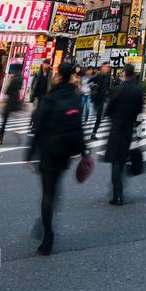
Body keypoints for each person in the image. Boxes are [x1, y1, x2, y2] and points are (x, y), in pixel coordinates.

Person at [26, 61, 86, 256]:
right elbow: (79, 125)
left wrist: (30, 152)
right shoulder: (76, 97)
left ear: (59, 75)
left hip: (49, 149)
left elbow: (39, 126)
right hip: (66, 150)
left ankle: (48, 234)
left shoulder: (50, 97)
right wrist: (84, 151)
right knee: (55, 188)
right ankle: (47, 221)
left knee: (47, 193)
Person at [103, 63, 145, 205]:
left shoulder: (116, 90)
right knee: (121, 161)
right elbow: (140, 115)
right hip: (129, 131)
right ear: (133, 75)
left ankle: (117, 195)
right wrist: (139, 134)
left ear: (124, 74)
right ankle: (119, 191)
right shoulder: (138, 91)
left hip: (116, 130)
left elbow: (108, 111)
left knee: (116, 163)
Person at [0, 64, 24, 144]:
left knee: (4, 121)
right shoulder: (21, 79)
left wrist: (9, 81)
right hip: (16, 101)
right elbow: (20, 89)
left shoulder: (14, 79)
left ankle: (0, 139)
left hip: (10, 101)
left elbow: (7, 91)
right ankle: (17, 134)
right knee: (15, 119)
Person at [89, 62, 111, 139]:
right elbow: (89, 82)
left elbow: (108, 88)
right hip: (95, 99)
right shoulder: (97, 76)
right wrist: (93, 87)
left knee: (99, 118)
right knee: (93, 116)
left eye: (108, 67)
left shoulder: (108, 77)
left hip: (102, 100)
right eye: (105, 67)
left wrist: (107, 95)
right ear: (101, 67)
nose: (107, 68)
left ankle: (93, 133)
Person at [29, 61, 51, 132]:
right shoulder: (38, 72)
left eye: (47, 64)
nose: (46, 65)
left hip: (44, 96)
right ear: (42, 64)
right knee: (35, 110)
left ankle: (35, 126)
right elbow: (34, 74)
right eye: (45, 64)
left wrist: (49, 93)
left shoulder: (49, 73)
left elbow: (49, 84)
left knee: (40, 111)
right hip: (36, 94)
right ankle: (33, 124)